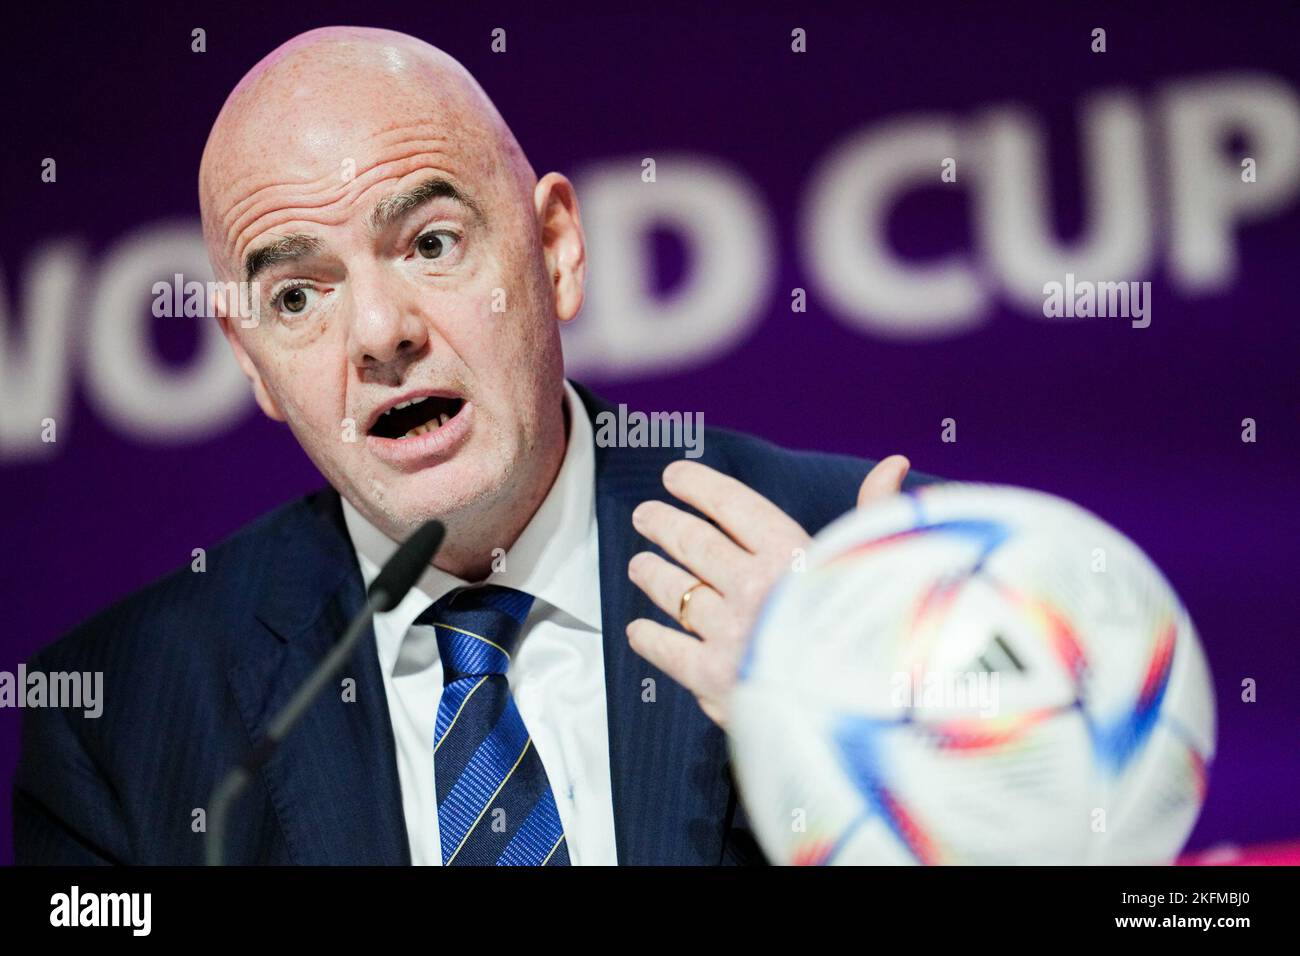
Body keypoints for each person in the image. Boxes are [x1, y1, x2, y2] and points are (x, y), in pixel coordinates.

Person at [14, 27, 926, 865]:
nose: (378, 332)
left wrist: (873, 757)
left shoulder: (862, 561)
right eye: (297, 297)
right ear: (250, 359)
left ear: (556, 249)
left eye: (430, 242)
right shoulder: (124, 730)